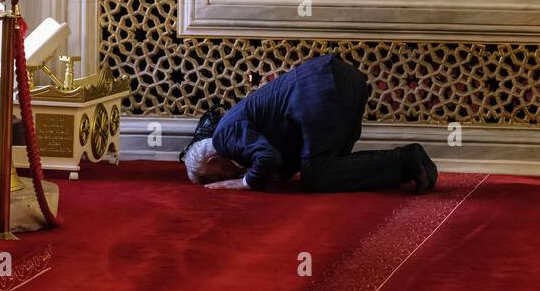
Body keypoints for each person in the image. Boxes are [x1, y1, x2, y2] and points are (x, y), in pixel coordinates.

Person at [182, 55, 438, 193]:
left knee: (318, 176)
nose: (227, 178)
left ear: (213, 162)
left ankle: (405, 161)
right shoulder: (230, 128)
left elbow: (267, 157)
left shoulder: (223, 137)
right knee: (333, 166)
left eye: (215, 178)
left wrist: (247, 182)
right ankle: (413, 164)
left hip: (319, 90)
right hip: (345, 79)